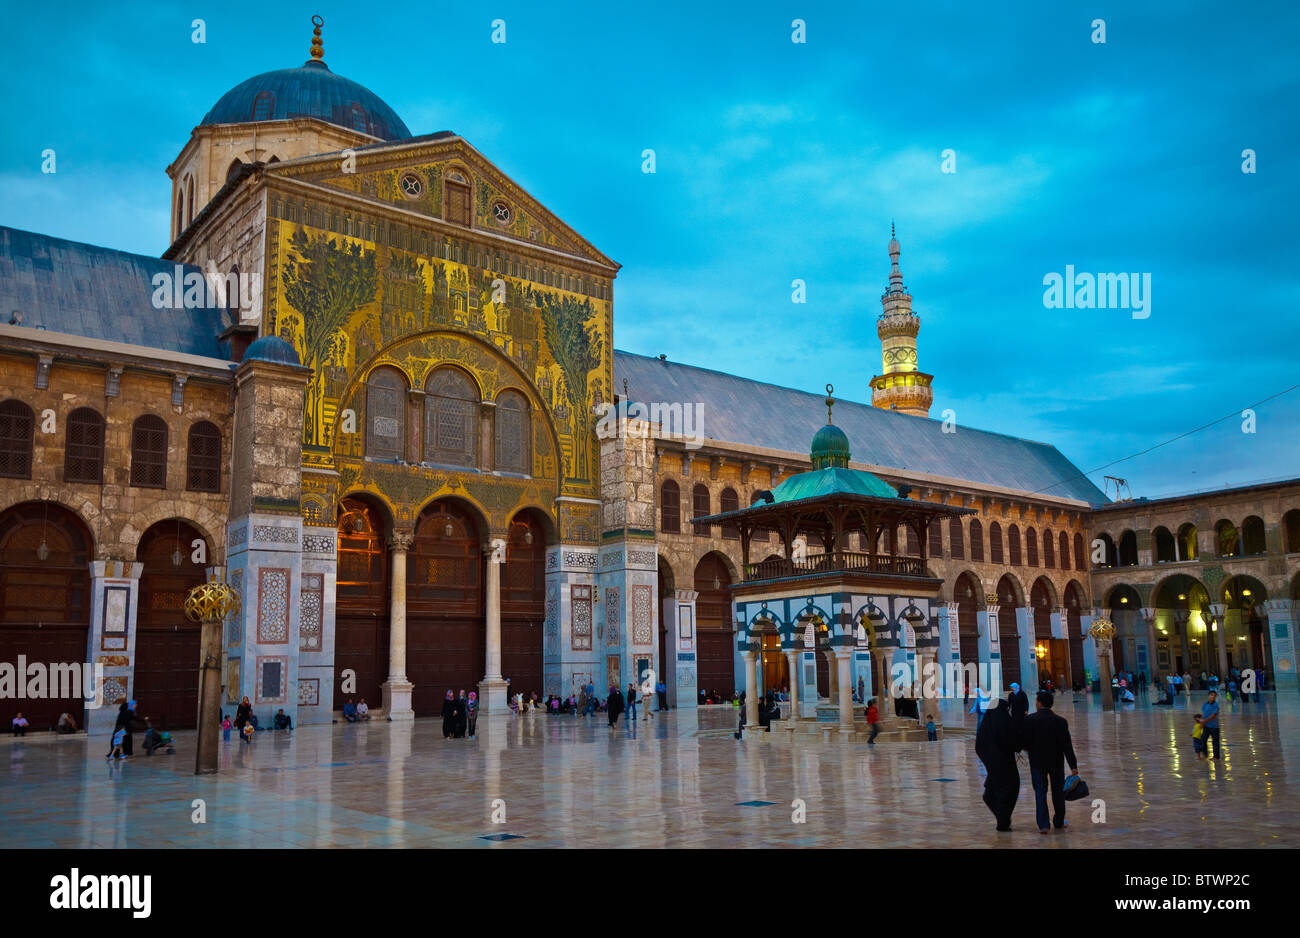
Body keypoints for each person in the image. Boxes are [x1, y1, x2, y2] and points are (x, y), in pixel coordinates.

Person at [1020, 691, 1078, 834]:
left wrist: (1029, 749)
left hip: (1037, 763)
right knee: (1058, 792)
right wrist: (1073, 766)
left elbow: (1024, 742)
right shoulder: (1061, 721)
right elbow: (1067, 746)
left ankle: (1043, 825)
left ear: (1039, 703)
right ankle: (1058, 821)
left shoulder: (1030, 720)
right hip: (1056, 763)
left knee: (1040, 792)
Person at [975, 697, 1020, 832]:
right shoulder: (1006, 722)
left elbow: (979, 746)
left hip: (994, 767)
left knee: (993, 792)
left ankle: (1003, 820)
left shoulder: (986, 725)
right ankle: (1003, 820)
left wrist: (989, 762)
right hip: (1006, 764)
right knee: (1009, 791)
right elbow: (1014, 742)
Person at [1201, 690, 1221, 760]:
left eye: (1214, 696)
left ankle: (1216, 757)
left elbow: (1213, 715)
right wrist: (1201, 721)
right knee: (1203, 740)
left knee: (1215, 742)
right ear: (1208, 696)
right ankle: (1205, 754)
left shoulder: (1216, 705)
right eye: (1212, 695)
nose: (1213, 697)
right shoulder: (1205, 704)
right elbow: (1203, 713)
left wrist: (1204, 721)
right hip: (1206, 726)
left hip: (1214, 727)